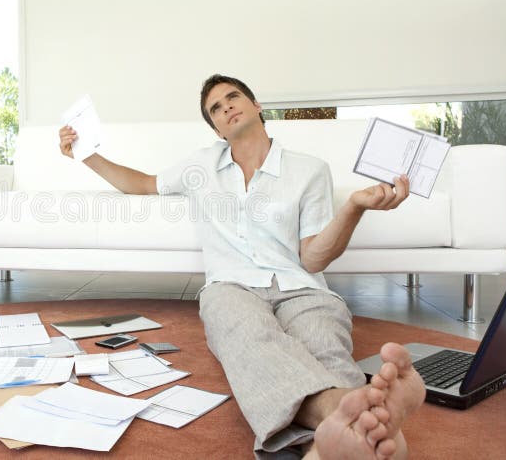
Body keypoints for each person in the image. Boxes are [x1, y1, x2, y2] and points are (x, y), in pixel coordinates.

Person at [58, 74, 424, 459]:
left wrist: (352, 209)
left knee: (325, 342)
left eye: (233, 97)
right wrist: (85, 155)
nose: (226, 107)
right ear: (215, 126)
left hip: (302, 285)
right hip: (231, 286)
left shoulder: (310, 169)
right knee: (248, 336)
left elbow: (314, 257)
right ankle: (353, 414)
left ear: (257, 106)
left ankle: (332, 442)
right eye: (216, 108)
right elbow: (142, 183)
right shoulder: (199, 166)